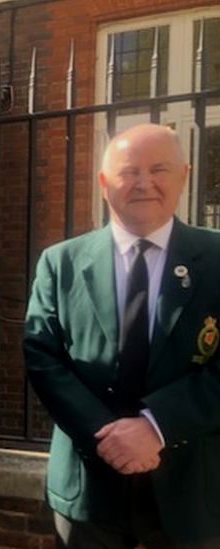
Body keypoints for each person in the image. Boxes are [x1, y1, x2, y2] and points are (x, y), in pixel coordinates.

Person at [24, 123, 220, 548]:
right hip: (88, 489)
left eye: (159, 169)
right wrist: (107, 435)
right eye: (129, 171)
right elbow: (42, 356)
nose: (144, 183)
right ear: (103, 183)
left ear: (184, 175)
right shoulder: (61, 263)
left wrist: (156, 426)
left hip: (192, 489)